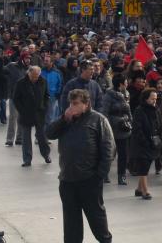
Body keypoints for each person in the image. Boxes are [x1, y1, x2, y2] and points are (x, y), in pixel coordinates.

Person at [45, 88, 114, 243]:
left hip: (89, 179)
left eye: (76, 103)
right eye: (71, 103)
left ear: (86, 104)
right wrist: (63, 118)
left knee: (96, 219)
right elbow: (49, 133)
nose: (72, 107)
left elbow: (108, 150)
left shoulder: (98, 120)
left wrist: (99, 176)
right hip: (68, 179)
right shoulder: (66, 120)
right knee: (71, 224)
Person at [12, 64, 51, 167]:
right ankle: (27, 159)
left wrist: (45, 107)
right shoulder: (21, 83)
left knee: (42, 136)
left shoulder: (43, 82)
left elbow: (47, 96)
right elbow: (16, 99)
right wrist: (22, 110)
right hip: (26, 114)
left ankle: (46, 155)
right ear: (28, 73)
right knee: (26, 138)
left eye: (37, 76)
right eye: (33, 76)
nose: (35, 78)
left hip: (39, 113)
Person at [99, 74, 133, 186]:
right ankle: (104, 173)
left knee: (123, 154)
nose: (127, 84)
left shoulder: (126, 94)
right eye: (126, 82)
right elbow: (105, 113)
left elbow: (128, 110)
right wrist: (107, 127)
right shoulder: (108, 96)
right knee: (110, 154)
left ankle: (121, 175)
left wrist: (130, 120)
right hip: (112, 129)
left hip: (124, 128)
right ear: (121, 84)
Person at [128, 87, 159, 200]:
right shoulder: (139, 110)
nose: (154, 101)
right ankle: (145, 191)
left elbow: (157, 124)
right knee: (143, 167)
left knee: (145, 166)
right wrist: (145, 141)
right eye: (152, 99)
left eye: (155, 99)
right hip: (141, 143)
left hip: (152, 142)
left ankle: (139, 189)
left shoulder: (155, 109)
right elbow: (137, 129)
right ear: (146, 99)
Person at [4, 51, 30, 147]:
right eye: (27, 58)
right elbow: (3, 72)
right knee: (12, 117)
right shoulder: (12, 66)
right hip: (13, 96)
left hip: (24, 97)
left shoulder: (29, 69)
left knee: (21, 118)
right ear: (22, 58)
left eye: (29, 58)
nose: (28, 60)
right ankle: (10, 139)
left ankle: (20, 138)